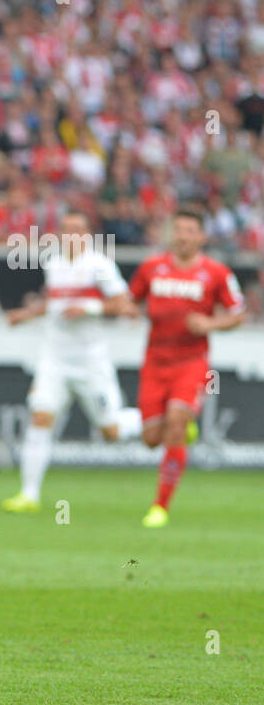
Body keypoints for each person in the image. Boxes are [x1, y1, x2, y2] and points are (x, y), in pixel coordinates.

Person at [1, 210, 143, 513]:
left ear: (88, 235)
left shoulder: (99, 265)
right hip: (55, 357)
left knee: (111, 431)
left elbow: (125, 306)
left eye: (78, 229)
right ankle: (29, 495)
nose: (71, 234)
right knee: (41, 417)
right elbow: (55, 303)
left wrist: (89, 307)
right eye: (66, 229)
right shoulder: (54, 264)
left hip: (90, 361)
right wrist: (25, 315)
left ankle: (157, 420)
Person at [127, 210, 245, 528]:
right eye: (178, 229)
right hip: (154, 362)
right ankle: (183, 429)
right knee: (152, 438)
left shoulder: (217, 272)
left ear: (201, 236)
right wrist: (128, 311)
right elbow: (131, 299)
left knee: (176, 422)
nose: (182, 236)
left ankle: (159, 506)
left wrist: (210, 323)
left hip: (192, 363)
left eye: (190, 230)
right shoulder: (151, 268)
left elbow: (237, 314)